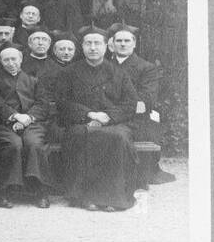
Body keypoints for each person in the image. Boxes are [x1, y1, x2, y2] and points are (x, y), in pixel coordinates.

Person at [54, 25, 138, 211]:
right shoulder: (68, 72)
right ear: (82, 47)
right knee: (79, 136)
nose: (93, 48)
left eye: (97, 43)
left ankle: (113, 197)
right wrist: (89, 114)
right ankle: (84, 197)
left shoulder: (119, 73)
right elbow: (62, 102)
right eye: (88, 43)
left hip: (113, 122)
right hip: (81, 121)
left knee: (118, 137)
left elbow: (130, 103)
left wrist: (108, 117)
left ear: (107, 46)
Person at [0, 43, 53, 208]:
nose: (10, 62)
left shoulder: (33, 79)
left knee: (34, 143)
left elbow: (42, 104)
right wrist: (15, 117)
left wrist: (27, 118)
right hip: (4, 124)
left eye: (13, 59)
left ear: (21, 59)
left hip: (32, 123)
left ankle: (39, 191)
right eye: (6, 60)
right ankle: (5, 191)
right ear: (1, 62)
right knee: (13, 144)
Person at [109, 22, 175, 184]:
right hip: (110, 115)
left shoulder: (146, 68)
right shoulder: (105, 65)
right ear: (112, 44)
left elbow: (147, 99)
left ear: (134, 44)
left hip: (135, 118)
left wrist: (117, 108)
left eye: (127, 41)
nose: (123, 44)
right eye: (119, 41)